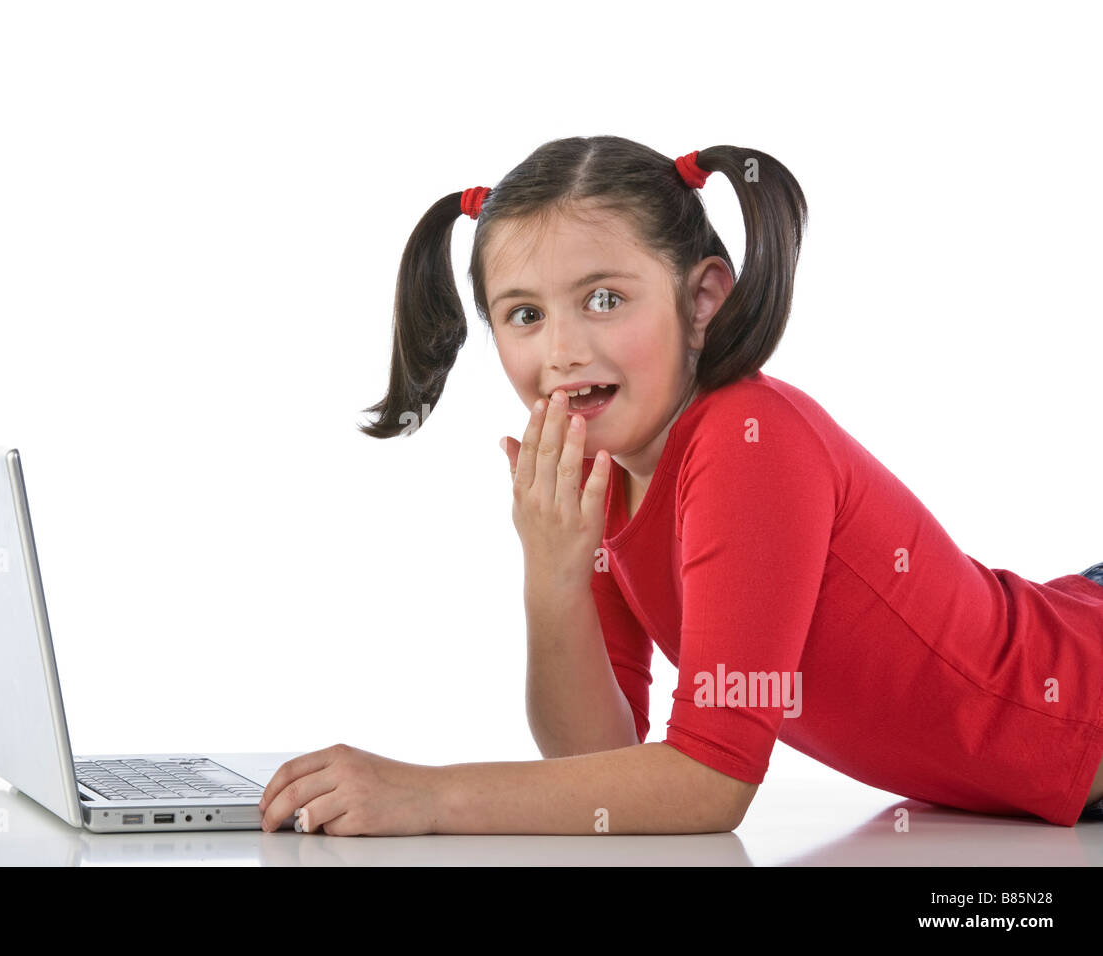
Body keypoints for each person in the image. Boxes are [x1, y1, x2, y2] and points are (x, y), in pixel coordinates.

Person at [258, 137, 1103, 835]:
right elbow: (598, 770)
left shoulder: (750, 440)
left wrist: (433, 796)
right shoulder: (602, 473)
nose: (561, 351)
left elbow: (710, 782)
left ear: (702, 299)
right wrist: (553, 575)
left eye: (602, 298)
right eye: (524, 313)